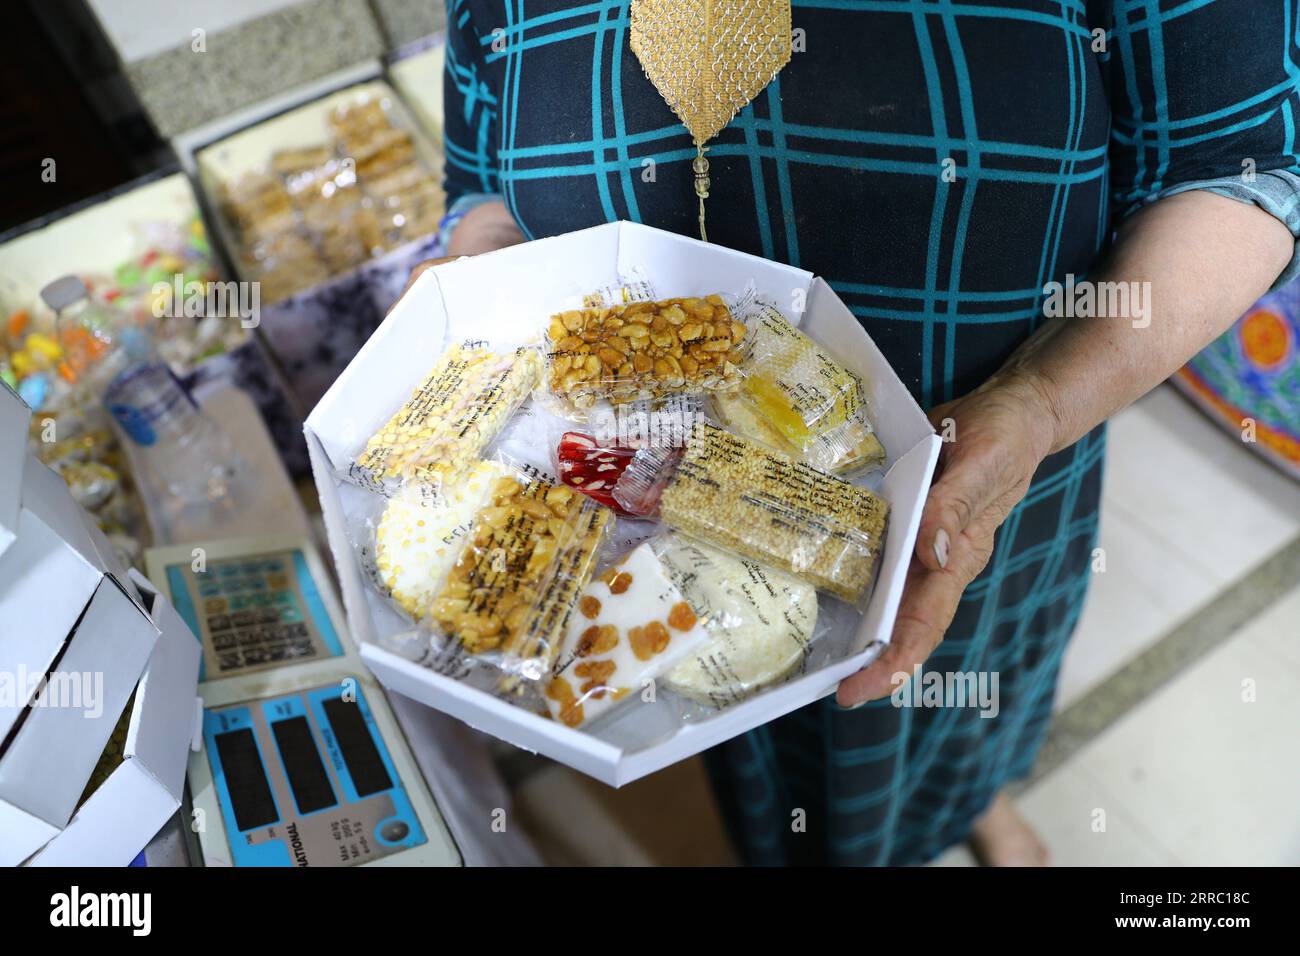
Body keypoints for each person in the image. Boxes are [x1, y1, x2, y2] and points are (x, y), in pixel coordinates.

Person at [423, 0, 1300, 865]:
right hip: (637, 496)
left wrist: (1043, 403)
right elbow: (484, 191)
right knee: (736, 692)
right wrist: (472, 319)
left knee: (963, 681)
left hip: (992, 457)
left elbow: (1236, 178)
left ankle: (976, 801)